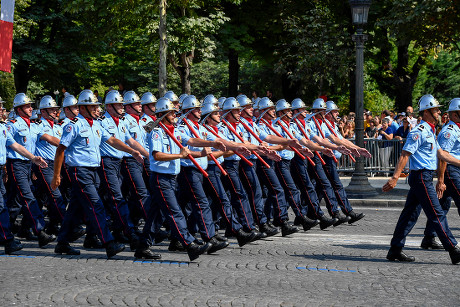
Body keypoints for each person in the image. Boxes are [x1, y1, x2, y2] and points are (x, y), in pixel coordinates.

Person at [51, 89, 143, 257]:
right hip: (80, 171)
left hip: (93, 171)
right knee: (96, 205)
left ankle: (62, 242)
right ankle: (109, 242)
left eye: (96, 107)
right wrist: (56, 175)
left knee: (75, 209)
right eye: (93, 107)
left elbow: (113, 140)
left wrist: (132, 151)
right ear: (83, 108)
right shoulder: (74, 125)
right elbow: (60, 150)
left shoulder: (96, 124)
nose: (97, 110)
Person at [383, 94, 460, 264]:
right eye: (436, 109)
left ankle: (395, 249)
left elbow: (441, 154)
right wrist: (395, 177)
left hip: (423, 177)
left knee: (409, 215)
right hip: (421, 177)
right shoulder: (419, 131)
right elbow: (405, 154)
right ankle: (453, 249)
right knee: (436, 213)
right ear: (427, 111)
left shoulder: (431, 130)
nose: (439, 112)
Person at [145, 97, 213, 261]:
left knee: (155, 215)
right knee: (175, 212)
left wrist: (210, 145)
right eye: (172, 112)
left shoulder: (175, 130)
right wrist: (179, 155)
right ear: (163, 114)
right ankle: (189, 244)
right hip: (161, 178)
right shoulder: (157, 132)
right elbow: (157, 156)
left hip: (171, 178)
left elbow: (190, 141)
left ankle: (142, 246)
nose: (175, 114)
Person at [6, 93, 58, 247]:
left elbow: (42, 142)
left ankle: (12, 229)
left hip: (29, 166)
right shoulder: (13, 124)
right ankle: (40, 231)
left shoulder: (33, 126)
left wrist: (34, 166)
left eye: (30, 105)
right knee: (28, 197)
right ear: (19, 108)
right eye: (27, 106)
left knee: (15, 201)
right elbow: (8, 144)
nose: (31, 108)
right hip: (15, 164)